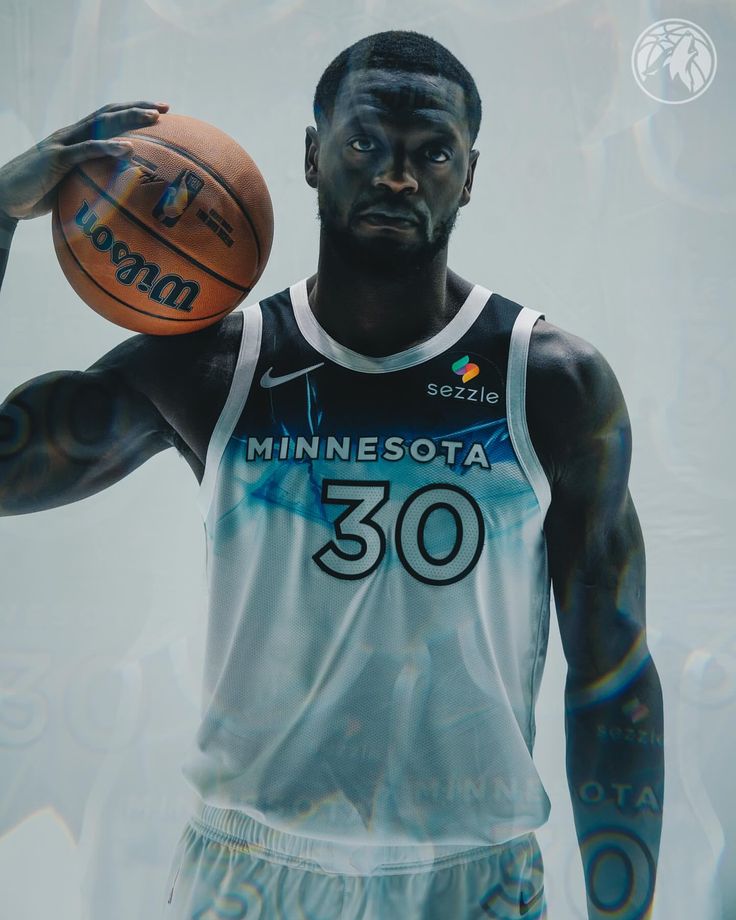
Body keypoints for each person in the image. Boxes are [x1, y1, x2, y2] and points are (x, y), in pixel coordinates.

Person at [0, 30, 663, 920]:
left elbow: (611, 678)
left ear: (470, 175)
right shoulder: (214, 368)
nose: (396, 177)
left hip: (471, 877)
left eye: (432, 153)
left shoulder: (550, 382)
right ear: (312, 156)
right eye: (363, 146)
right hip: (249, 875)